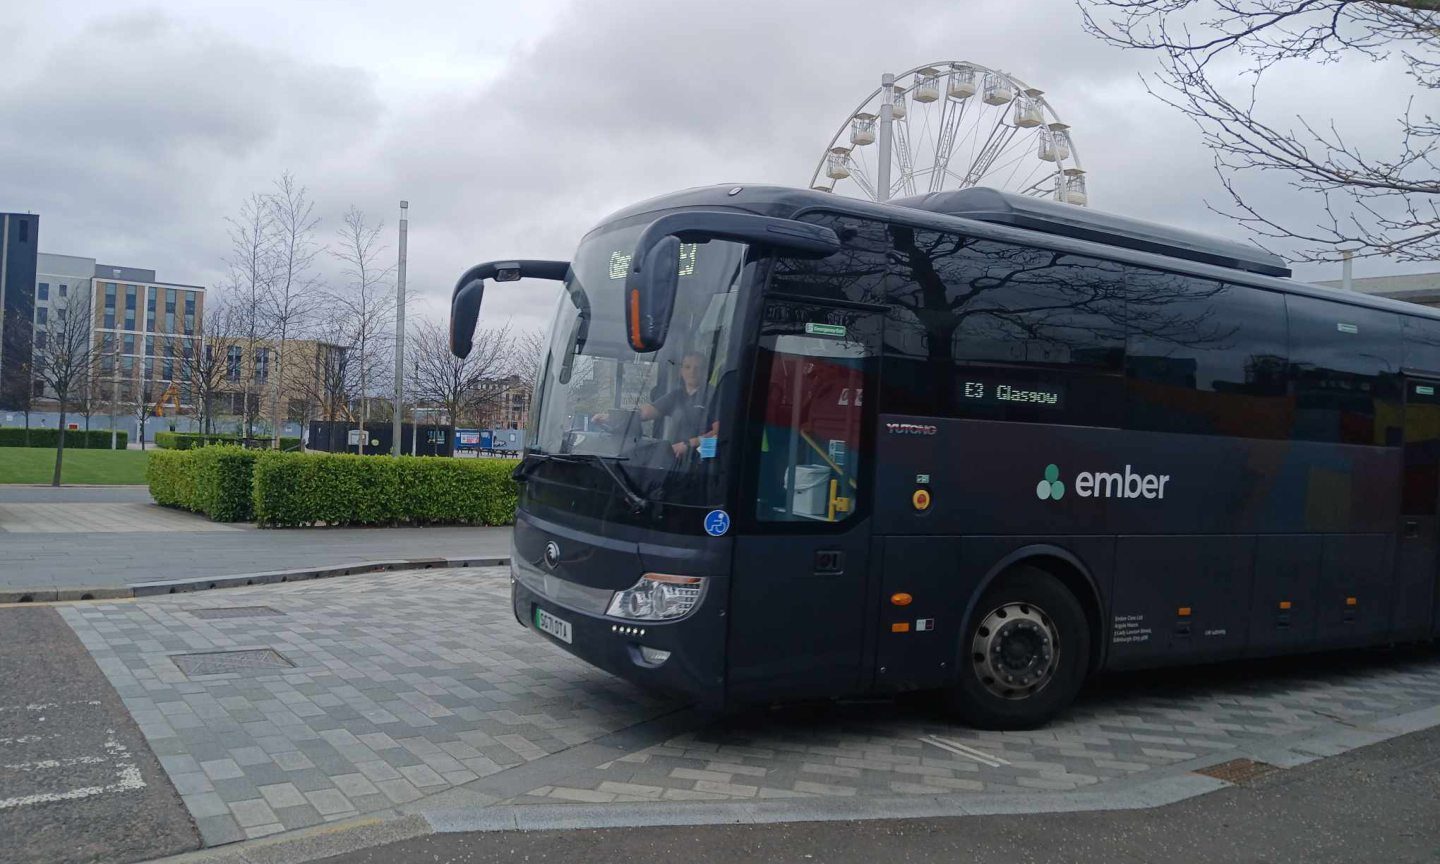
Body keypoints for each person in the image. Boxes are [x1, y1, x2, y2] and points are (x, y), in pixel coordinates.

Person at [594, 351, 714, 458]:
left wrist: (689, 445)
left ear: (705, 371)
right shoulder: (677, 395)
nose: (692, 371)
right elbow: (646, 412)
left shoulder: (714, 394)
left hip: (706, 462)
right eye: (688, 367)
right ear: (681, 371)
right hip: (678, 460)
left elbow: (719, 435)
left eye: (698, 368)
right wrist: (614, 417)